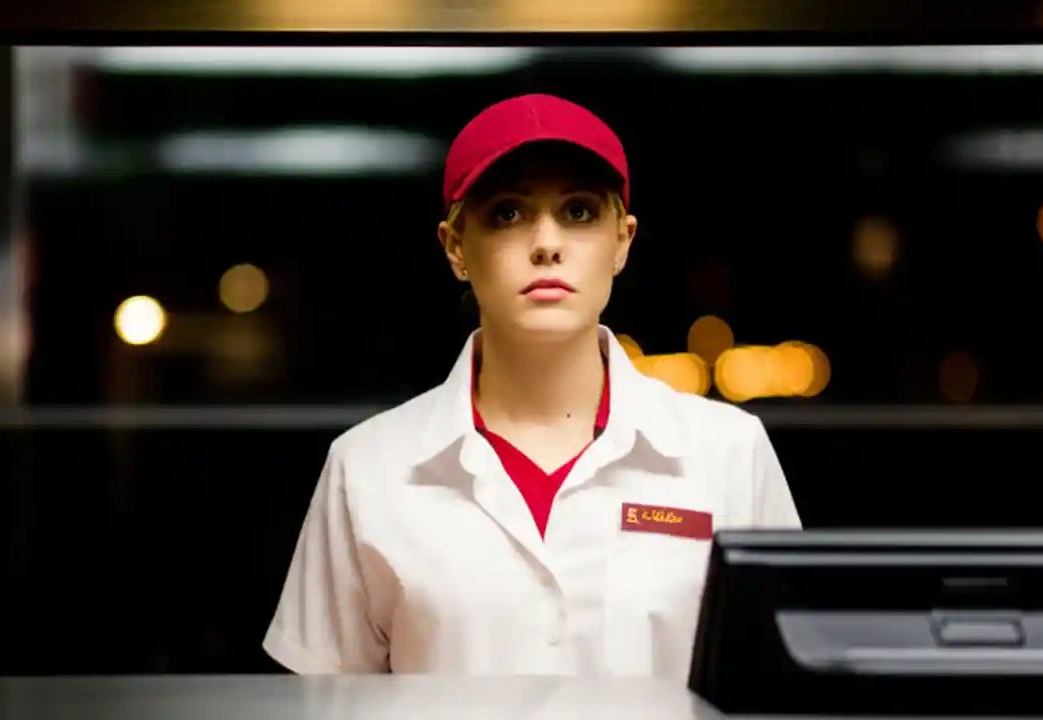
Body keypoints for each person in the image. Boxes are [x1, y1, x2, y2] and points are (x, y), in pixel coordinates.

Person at [262, 93, 801, 678]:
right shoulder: (368, 469)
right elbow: (324, 704)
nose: (547, 243)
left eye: (579, 212)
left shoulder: (729, 454)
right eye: (507, 214)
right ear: (455, 247)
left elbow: (781, 690)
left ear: (622, 241)